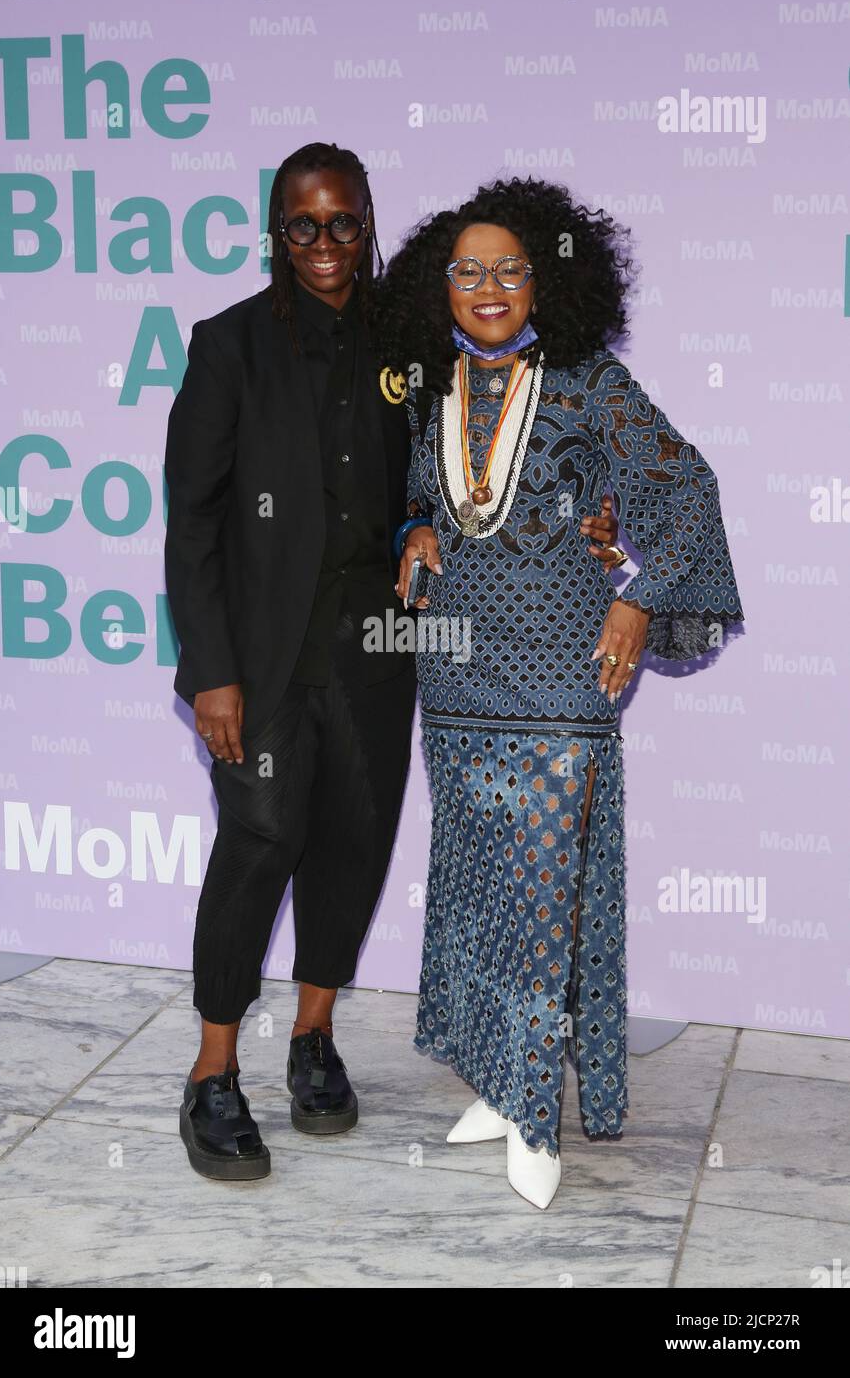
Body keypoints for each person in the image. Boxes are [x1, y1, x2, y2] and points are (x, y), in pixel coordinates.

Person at [164, 145, 624, 1182]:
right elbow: (189, 522)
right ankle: (210, 1072)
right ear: (276, 232)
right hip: (261, 655)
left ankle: (314, 1038)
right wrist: (210, 672)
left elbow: (450, 465)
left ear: (369, 222)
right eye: (303, 225)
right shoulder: (227, 346)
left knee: (352, 838)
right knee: (261, 832)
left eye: (342, 223)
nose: (325, 245)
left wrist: (579, 520)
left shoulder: (413, 343)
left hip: (381, 650)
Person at [375, 177, 745, 1209]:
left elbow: (685, 487)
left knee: (543, 891)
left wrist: (636, 599)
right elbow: (423, 487)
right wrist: (413, 526)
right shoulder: (429, 381)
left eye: (508, 268)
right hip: (453, 676)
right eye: (466, 271)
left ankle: (537, 1110)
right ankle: (495, 1081)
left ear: (544, 277)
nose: (487, 287)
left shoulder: (587, 380)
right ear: (435, 286)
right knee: (479, 884)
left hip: (561, 681)